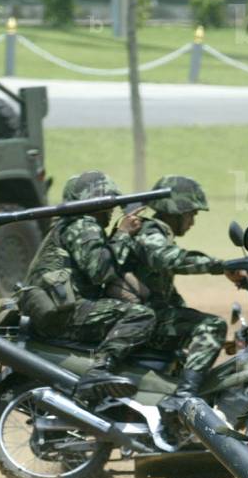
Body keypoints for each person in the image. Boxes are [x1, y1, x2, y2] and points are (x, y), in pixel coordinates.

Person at [17, 171, 155, 401]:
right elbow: (100, 272)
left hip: (59, 309)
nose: (111, 211)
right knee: (140, 316)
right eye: (108, 204)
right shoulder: (83, 225)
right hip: (64, 314)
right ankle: (99, 371)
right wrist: (122, 234)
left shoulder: (70, 225)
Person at [127, 176, 242, 415]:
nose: (192, 222)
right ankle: (183, 400)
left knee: (193, 323)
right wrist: (221, 266)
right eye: (191, 214)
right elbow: (170, 259)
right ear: (175, 211)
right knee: (212, 326)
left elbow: (166, 294)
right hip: (140, 320)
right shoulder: (150, 232)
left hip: (145, 316)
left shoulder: (156, 233)